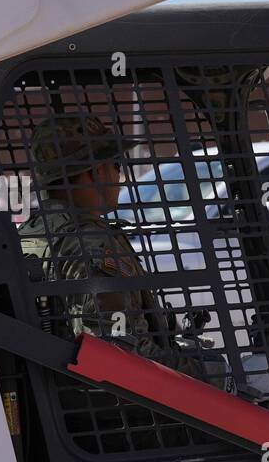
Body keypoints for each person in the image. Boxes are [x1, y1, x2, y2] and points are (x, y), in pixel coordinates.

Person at [18, 115, 219, 380]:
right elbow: (124, 355)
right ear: (97, 170)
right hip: (114, 409)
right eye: (116, 164)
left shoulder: (27, 233)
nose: (120, 177)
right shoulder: (94, 245)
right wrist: (210, 374)